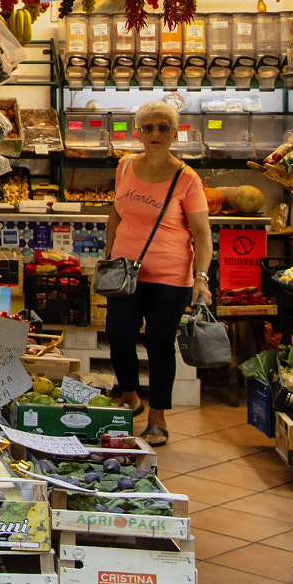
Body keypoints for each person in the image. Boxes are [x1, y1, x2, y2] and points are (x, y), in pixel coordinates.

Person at [100, 99, 212, 447]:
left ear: (174, 133)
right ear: (138, 133)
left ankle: (158, 419)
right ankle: (131, 396)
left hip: (170, 276)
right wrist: (109, 256)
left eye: (163, 127)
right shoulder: (124, 167)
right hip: (125, 273)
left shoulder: (187, 178)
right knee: (118, 336)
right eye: (148, 127)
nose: (155, 133)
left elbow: (202, 234)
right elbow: (115, 215)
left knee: (160, 345)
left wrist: (201, 277)